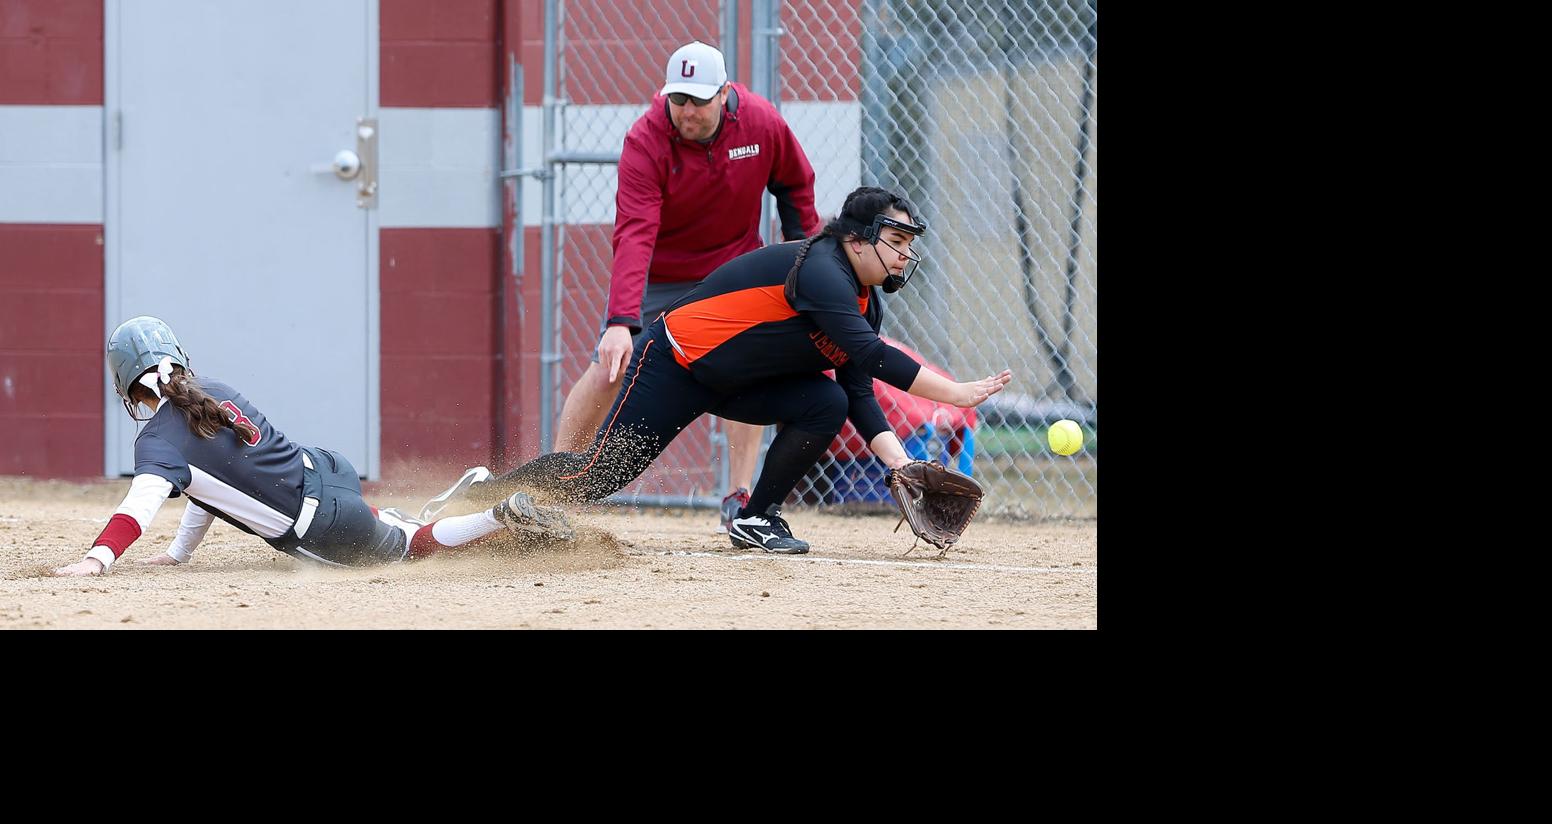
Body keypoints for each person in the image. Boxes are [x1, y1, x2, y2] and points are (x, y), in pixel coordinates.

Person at [449, 186, 1011, 555]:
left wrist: (901, 464)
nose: (903, 256)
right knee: (600, 477)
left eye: (909, 244)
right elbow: (874, 357)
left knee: (828, 403)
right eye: (895, 241)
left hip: (741, 381)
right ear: (855, 239)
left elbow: (859, 389)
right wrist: (958, 393)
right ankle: (485, 493)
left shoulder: (865, 299)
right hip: (677, 361)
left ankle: (757, 517)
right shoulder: (823, 270)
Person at [52, 317, 573, 577]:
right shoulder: (213, 392)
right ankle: (457, 505)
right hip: (327, 469)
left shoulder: (158, 441)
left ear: (127, 386)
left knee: (411, 551)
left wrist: (97, 561)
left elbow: (137, 508)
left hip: (322, 523)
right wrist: (178, 554)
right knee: (395, 528)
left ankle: (498, 518)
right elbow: (207, 489)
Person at [552, 40, 821, 533]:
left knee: (748, 369)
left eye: (699, 100)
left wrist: (809, 267)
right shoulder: (646, 138)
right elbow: (634, 232)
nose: (687, 112)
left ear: (724, 94)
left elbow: (796, 187)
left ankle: (738, 498)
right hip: (663, 274)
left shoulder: (762, 123)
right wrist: (620, 322)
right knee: (610, 366)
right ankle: (551, 489)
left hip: (734, 270)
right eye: (679, 99)